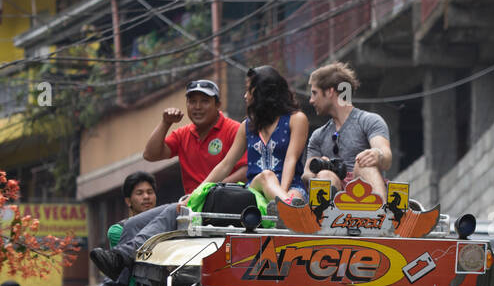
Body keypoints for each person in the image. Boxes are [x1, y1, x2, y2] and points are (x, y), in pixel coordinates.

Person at [202, 66, 308, 205]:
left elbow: (291, 159)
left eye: (249, 90)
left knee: (295, 197)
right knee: (266, 176)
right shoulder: (246, 126)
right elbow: (226, 165)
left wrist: (279, 194)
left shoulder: (297, 119)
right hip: (254, 191)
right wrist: (196, 194)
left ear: (262, 93)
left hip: (291, 188)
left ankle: (285, 206)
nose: (245, 96)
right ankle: (286, 206)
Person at [302, 62, 392, 199]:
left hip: (365, 190)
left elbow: (386, 157)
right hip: (334, 196)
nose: (311, 100)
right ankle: (322, 217)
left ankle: (381, 214)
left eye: (314, 93)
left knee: (363, 164)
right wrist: (319, 168)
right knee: (324, 176)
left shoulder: (369, 120)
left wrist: (377, 155)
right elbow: (306, 175)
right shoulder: (318, 135)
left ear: (330, 92)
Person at [143, 79, 247, 193]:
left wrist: (212, 190)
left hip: (227, 201)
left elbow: (246, 170)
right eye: (192, 101)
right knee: (159, 212)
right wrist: (165, 122)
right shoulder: (182, 134)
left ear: (218, 105)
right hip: (191, 205)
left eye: (205, 101)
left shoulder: (235, 130)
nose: (197, 107)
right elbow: (150, 155)